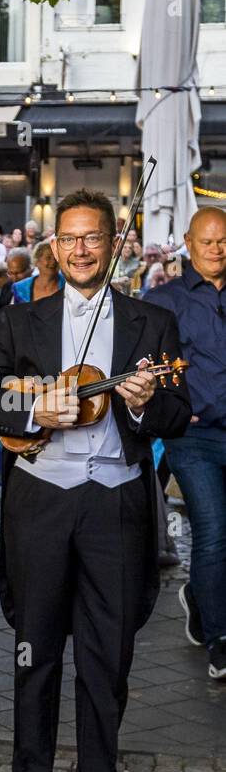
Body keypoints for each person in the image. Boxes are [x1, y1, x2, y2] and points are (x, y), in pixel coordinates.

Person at [0, 189, 189, 772]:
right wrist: (32, 410)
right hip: (42, 499)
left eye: (93, 237)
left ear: (114, 245)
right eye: (69, 238)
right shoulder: (23, 317)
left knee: (107, 647)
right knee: (35, 643)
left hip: (116, 502)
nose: (81, 249)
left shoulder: (153, 323)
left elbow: (177, 414)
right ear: (55, 246)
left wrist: (140, 404)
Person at [142, 205, 226, 679]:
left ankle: (199, 596)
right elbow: (145, 363)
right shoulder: (164, 300)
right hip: (193, 436)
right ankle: (219, 637)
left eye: (224, 242)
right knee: (212, 531)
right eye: (207, 242)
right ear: (189, 246)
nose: (216, 250)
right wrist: (171, 401)